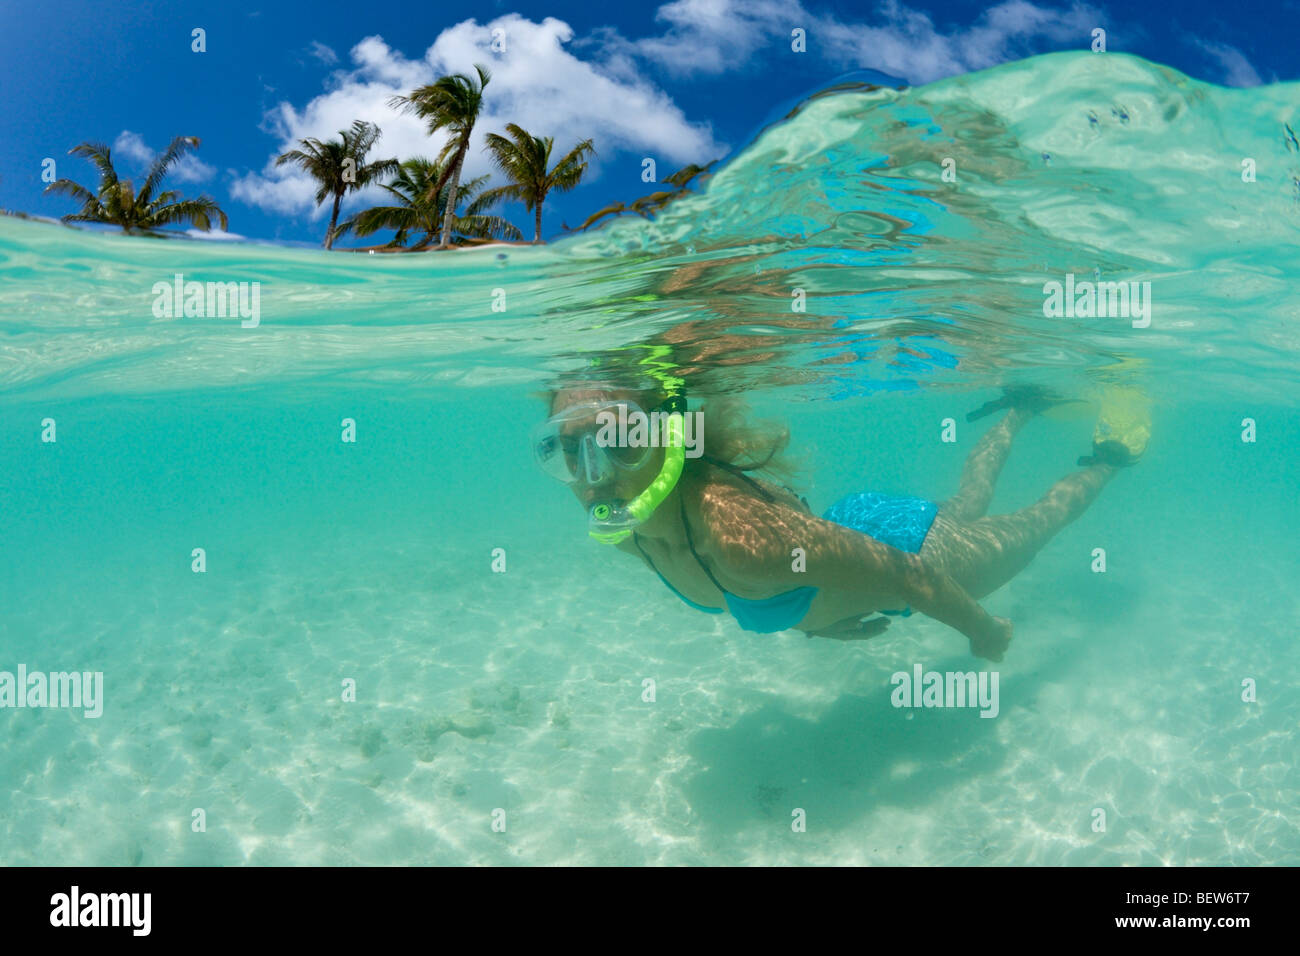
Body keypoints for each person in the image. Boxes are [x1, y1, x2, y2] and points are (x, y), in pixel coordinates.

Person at [531, 383, 1149, 661]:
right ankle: (1017, 411)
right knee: (966, 506)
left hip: (919, 559)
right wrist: (813, 626)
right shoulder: (629, 535)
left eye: (615, 440)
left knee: (1038, 525)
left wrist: (984, 632)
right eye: (566, 449)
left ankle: (1110, 459)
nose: (591, 476)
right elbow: (775, 577)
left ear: (665, 439)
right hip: (855, 526)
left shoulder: (733, 534)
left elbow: (908, 575)